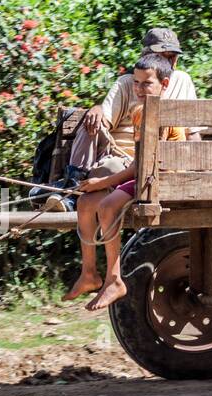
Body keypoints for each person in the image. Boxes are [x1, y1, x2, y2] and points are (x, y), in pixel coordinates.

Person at [62, 53, 186, 311]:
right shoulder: (140, 111)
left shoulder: (159, 114)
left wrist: (102, 182)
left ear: (164, 85)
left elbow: (140, 168)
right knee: (86, 202)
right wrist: (97, 186)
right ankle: (89, 274)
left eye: (146, 83)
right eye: (136, 83)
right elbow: (138, 165)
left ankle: (115, 279)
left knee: (107, 206)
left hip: (161, 180)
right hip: (144, 177)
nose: (139, 89)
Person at [37, 27, 201, 211]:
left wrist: (200, 175)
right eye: (163, 56)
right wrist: (97, 110)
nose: (169, 62)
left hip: (160, 165)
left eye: (173, 57)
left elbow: (192, 133)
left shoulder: (182, 80)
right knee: (92, 122)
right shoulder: (128, 83)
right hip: (122, 158)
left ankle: (72, 191)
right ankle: (72, 187)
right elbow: (104, 119)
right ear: (146, 56)